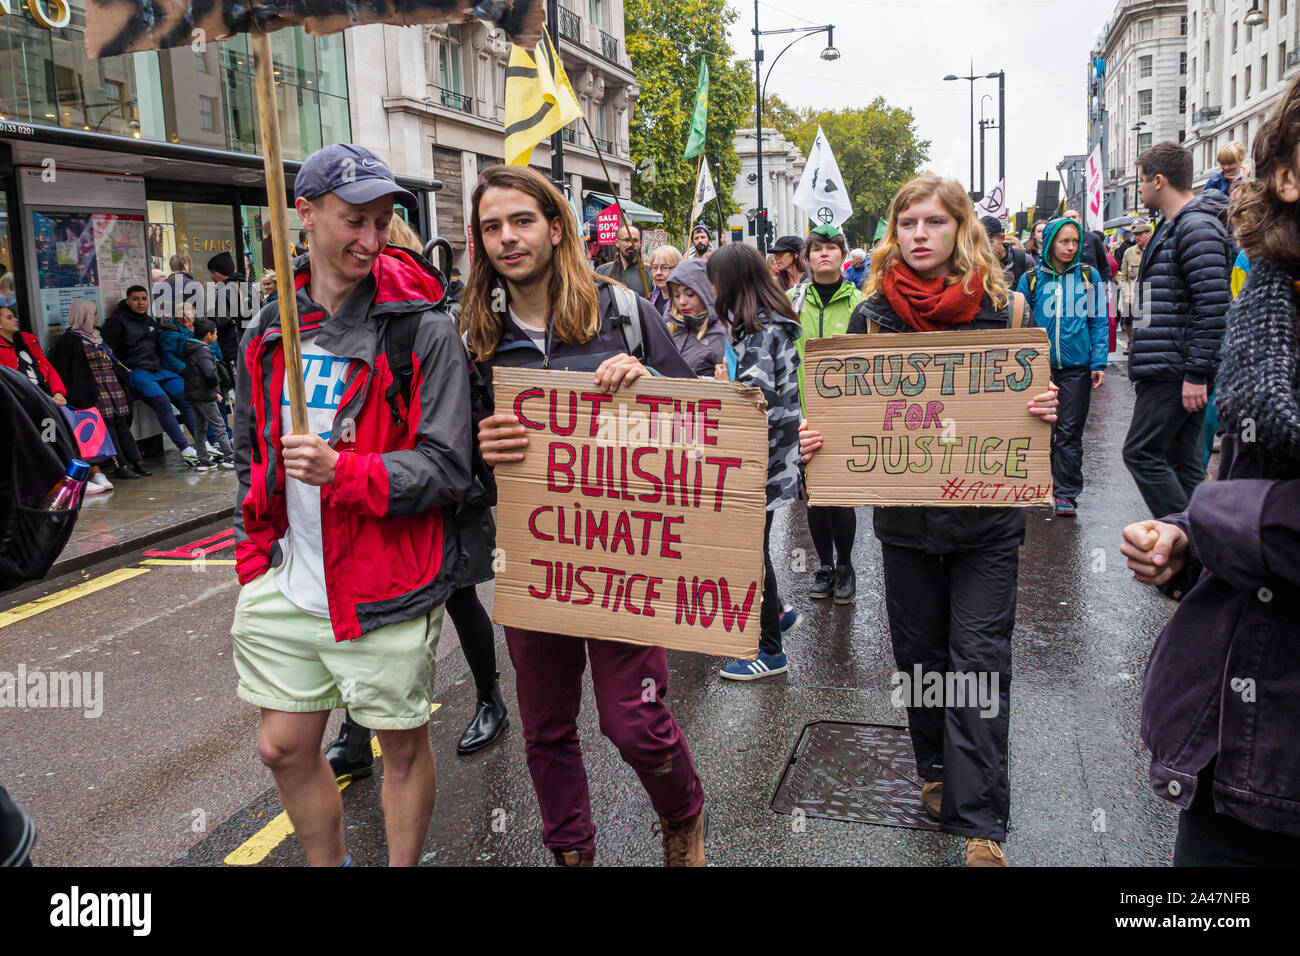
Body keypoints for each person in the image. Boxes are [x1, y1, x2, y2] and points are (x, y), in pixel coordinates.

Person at [802, 175, 1059, 867]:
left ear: (960, 229)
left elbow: (1039, 394)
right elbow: (845, 416)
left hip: (987, 525)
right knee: (922, 661)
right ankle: (936, 768)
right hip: (907, 525)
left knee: (979, 662)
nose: (920, 234)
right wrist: (818, 439)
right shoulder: (871, 316)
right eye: (908, 222)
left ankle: (981, 824)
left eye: (935, 222)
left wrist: (1043, 410)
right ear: (895, 232)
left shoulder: (1007, 312)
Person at [230, 143, 474, 867]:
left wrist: (344, 472)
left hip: (386, 580)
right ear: (303, 216)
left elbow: (449, 468)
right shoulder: (268, 325)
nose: (370, 239)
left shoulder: (422, 326)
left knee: (398, 744)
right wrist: (253, 553)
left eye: (381, 220)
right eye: (352, 221)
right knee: (282, 747)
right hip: (289, 578)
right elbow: (250, 448)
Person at [465, 164, 706, 866]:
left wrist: (649, 381)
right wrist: (484, 447)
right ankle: (571, 851)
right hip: (532, 557)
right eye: (491, 227)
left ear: (556, 227)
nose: (507, 238)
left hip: (623, 553)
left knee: (635, 722)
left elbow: (698, 421)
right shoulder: (476, 333)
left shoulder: (623, 311)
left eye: (521, 221)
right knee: (545, 726)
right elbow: (461, 456)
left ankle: (683, 813)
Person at [1121, 82, 1300, 864]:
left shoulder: (1194, 230)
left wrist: (1217, 523)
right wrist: (1188, 542)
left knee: (1153, 456)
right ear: (1287, 176)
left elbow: (1198, 308)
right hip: (1239, 748)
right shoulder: (1272, 307)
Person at [324, 206, 508, 771]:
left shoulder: (427, 321)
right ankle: (357, 736)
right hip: (375, 491)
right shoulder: (339, 320)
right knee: (375, 610)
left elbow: (452, 430)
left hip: (441, 495)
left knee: (456, 595)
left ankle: (490, 700)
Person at [701, 243, 803, 684]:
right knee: (754, 548)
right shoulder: (765, 323)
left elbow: (753, 405)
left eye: (715, 280)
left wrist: (724, 389)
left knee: (749, 554)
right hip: (770, 460)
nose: (711, 288)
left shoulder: (758, 331)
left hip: (757, 464)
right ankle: (776, 614)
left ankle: (769, 651)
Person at [1123, 142, 1231, 520]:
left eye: (1140, 182)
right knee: (1182, 461)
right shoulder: (1177, 225)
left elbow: (1214, 306)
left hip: (1175, 369)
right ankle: (1212, 546)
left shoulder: (1196, 226)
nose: (1138, 189)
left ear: (1159, 180)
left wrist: (1197, 374)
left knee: (1140, 452)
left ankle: (1187, 542)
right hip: (1173, 365)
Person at [788, 223, 865, 603]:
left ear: (842, 256)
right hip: (803, 415)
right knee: (814, 496)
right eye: (816, 248)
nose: (824, 254)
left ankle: (847, 565)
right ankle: (824, 566)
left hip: (846, 415)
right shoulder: (792, 300)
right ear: (806, 257)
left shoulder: (859, 302)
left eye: (831, 248)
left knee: (841, 495)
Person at [1016, 218, 1108, 517]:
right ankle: (1038, 485)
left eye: (1074, 242)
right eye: (1064, 242)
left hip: (1076, 367)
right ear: (1051, 243)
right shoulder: (1030, 279)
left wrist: (1098, 362)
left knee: (1069, 431)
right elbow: (1020, 324)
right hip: (1038, 368)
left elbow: (1097, 320)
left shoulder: (1087, 276)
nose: (1071, 248)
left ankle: (1066, 492)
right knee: (1039, 429)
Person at [49, 299, 149, 481]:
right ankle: (120, 464)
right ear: (84, 315)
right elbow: (63, 370)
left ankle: (137, 461)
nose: (98, 317)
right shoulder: (69, 341)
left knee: (121, 423)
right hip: (93, 388)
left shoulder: (98, 335)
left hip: (112, 384)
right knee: (107, 426)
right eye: (94, 313)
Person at [183, 318, 235, 472]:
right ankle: (229, 457)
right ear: (209, 335)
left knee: (200, 428)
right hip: (205, 394)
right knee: (219, 426)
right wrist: (215, 391)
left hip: (193, 394)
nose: (216, 336)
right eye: (216, 333)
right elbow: (210, 374)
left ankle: (203, 460)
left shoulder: (192, 348)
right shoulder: (203, 351)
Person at [663, 258, 727, 377]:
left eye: (690, 294)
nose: (682, 302)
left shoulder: (722, 334)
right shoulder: (667, 327)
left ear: (706, 292)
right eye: (676, 295)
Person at [1, 304, 67, 405]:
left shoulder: (28, 340)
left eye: (14, 316)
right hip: (20, 404)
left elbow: (48, 369)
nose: (15, 320)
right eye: (9, 318)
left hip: (45, 397)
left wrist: (58, 392)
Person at [207, 251, 250, 381]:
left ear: (221, 272)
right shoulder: (248, 287)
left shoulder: (224, 292)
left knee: (240, 385)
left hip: (233, 348)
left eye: (213, 272)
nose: (211, 276)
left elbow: (221, 321)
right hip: (251, 344)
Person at [1116, 218, 1152, 350]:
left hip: (1151, 291)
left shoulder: (1156, 249)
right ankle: (1131, 342)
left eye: (1140, 234)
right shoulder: (1129, 252)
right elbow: (1123, 275)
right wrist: (1126, 291)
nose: (1136, 237)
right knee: (1129, 319)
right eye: (1135, 235)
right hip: (1133, 290)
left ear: (1148, 234)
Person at [595, 223, 652, 298]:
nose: (631, 244)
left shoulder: (649, 272)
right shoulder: (602, 271)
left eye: (635, 240)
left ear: (640, 244)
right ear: (617, 243)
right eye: (627, 240)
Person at [981, 215, 1029, 290]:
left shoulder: (1024, 259)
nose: (985, 248)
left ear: (1002, 238)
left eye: (990, 242)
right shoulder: (977, 263)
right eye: (981, 243)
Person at [647, 244, 683, 321]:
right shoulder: (650, 300)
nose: (658, 273)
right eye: (655, 267)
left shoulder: (684, 302)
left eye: (665, 268)